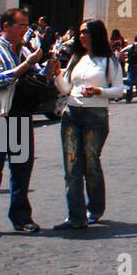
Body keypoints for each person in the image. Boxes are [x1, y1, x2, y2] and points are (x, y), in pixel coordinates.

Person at [50, 19, 126, 229]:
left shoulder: (109, 61)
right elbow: (65, 89)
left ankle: (94, 208)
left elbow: (119, 89)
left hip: (96, 115)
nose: (81, 36)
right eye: (80, 32)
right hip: (71, 113)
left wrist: (99, 91)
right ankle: (75, 215)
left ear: (97, 34)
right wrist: (57, 73)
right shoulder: (76, 58)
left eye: (86, 32)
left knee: (91, 161)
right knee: (72, 164)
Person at [0, 8, 44, 237]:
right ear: (6, 26)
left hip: (22, 114)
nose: (26, 30)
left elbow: (36, 75)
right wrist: (26, 65)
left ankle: (21, 216)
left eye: (27, 25)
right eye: (21, 25)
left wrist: (47, 70)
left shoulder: (24, 50)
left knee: (22, 168)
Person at [122, 33, 137, 103]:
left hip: (131, 66)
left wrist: (124, 60)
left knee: (129, 82)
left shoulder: (130, 46)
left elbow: (122, 51)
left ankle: (128, 98)